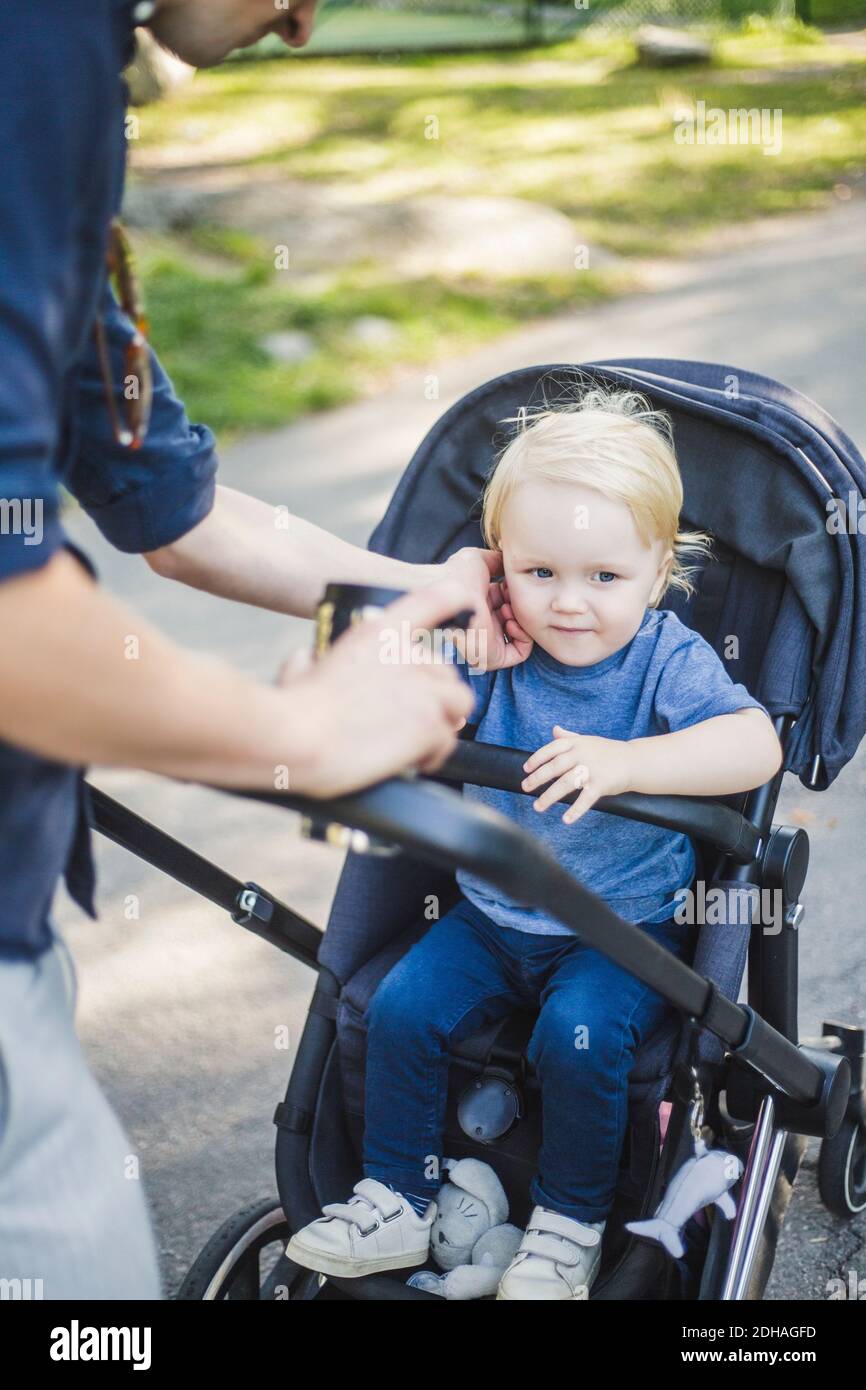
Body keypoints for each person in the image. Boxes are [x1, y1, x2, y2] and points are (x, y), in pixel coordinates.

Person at [0, 0, 532, 1299]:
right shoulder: (36, 44)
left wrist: (426, 584)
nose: (298, 24)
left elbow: (168, 510)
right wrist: (305, 730)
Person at [284, 387, 784, 1300]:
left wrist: (631, 763)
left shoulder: (667, 658)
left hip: (622, 928)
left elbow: (756, 745)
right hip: (491, 911)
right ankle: (394, 1197)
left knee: (578, 1036)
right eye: (539, 571)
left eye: (604, 578)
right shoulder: (491, 646)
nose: (568, 603)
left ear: (659, 569)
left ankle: (567, 1225)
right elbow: (377, 689)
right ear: (497, 564)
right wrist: (447, 643)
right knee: (400, 1007)